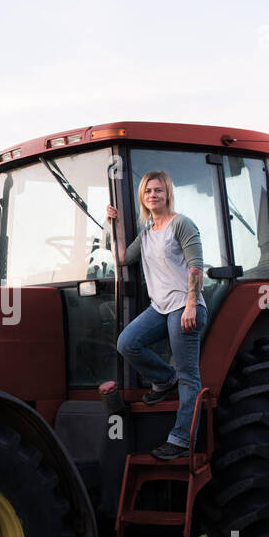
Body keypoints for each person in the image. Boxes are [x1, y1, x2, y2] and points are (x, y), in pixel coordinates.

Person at [106, 170, 207, 459]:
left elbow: (196, 266)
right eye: (148, 191)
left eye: (158, 190)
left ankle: (180, 440)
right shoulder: (148, 233)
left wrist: (190, 304)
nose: (153, 195)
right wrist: (110, 224)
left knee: (189, 376)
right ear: (142, 197)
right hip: (159, 307)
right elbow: (123, 257)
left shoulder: (181, 224)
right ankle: (164, 378)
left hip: (183, 306)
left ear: (167, 194)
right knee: (127, 343)